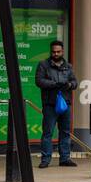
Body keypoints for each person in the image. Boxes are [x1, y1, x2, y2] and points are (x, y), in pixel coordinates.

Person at [34, 39, 78, 168]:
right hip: (50, 104)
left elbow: (75, 82)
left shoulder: (68, 66)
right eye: (54, 52)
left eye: (58, 52)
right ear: (50, 52)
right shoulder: (43, 65)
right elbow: (39, 81)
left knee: (65, 132)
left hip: (65, 104)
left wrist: (69, 84)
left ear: (62, 51)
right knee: (48, 132)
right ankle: (45, 160)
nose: (56, 54)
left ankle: (65, 158)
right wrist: (54, 84)